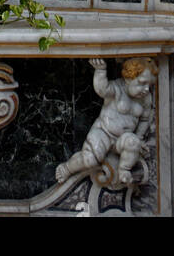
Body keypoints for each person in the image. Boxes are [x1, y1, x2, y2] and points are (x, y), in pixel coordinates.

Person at [55, 57, 155, 186]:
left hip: (122, 140)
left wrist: (139, 137)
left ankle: (124, 170)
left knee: (133, 142)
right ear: (129, 77)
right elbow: (102, 89)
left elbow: (144, 119)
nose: (146, 89)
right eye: (142, 83)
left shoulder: (145, 98)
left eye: (149, 85)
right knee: (90, 159)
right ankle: (67, 168)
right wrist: (100, 71)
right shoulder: (117, 88)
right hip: (103, 132)